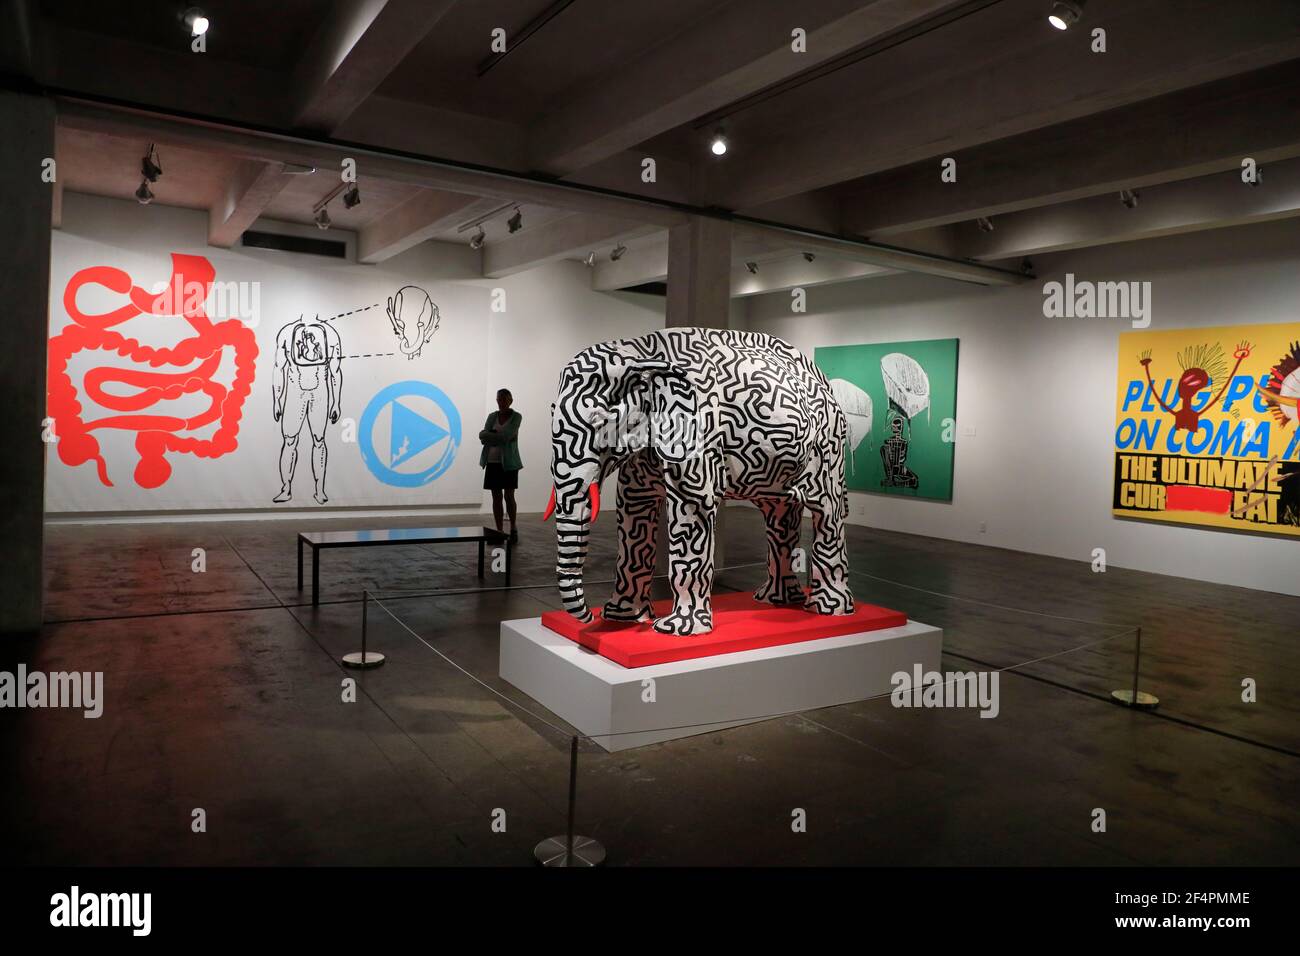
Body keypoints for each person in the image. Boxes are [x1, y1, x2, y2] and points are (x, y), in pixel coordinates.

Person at [480, 388, 522, 540]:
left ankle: (513, 527)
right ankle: (499, 531)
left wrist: (492, 436)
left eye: (504, 399)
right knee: (496, 497)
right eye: (499, 399)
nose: (501, 402)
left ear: (510, 400)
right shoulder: (492, 416)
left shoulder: (516, 417)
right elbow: (482, 436)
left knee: (509, 496)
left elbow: (506, 436)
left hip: (509, 462)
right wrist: (496, 436)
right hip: (492, 461)